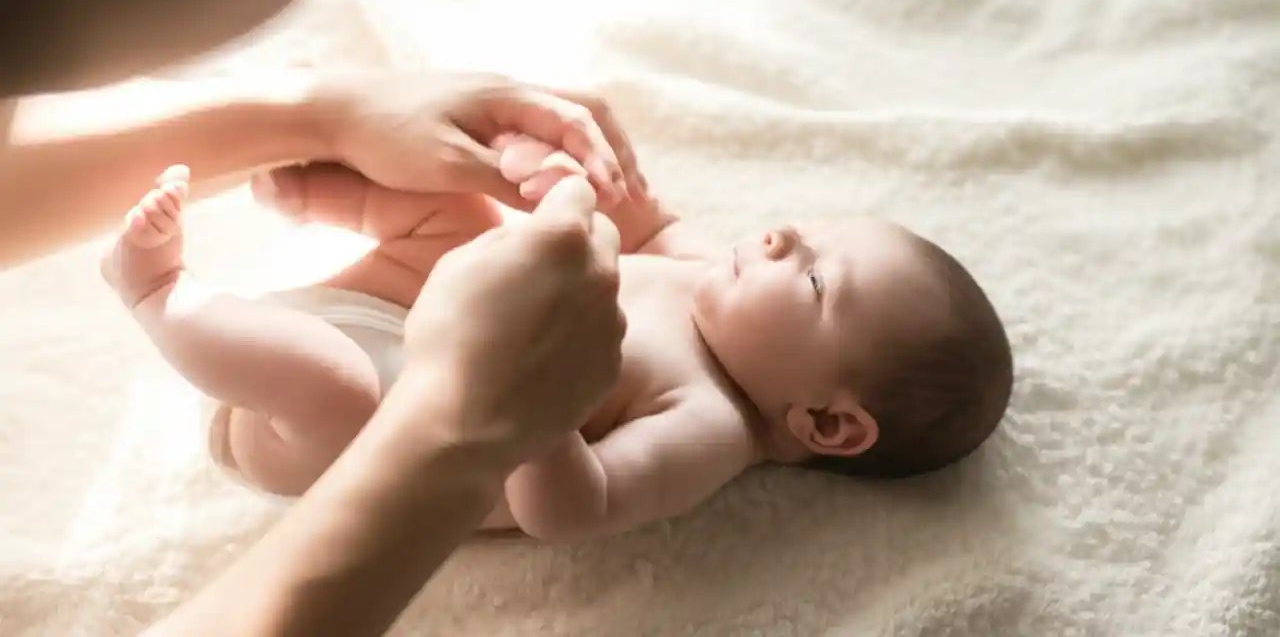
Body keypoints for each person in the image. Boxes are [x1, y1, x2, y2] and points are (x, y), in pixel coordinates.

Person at [1, 0, 635, 634]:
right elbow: (577, 501)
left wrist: (323, 117)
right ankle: (161, 292)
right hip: (372, 388)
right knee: (333, 386)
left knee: (453, 221)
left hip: (387, 328)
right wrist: (455, 432)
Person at [102, 126, 1015, 542]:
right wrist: (590, 177)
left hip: (342, 433)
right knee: (463, 214)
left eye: (813, 277)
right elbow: (645, 220)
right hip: (399, 307)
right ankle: (304, 190)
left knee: (338, 385)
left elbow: (573, 509)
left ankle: (158, 292)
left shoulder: (710, 425)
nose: (779, 238)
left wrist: (548, 412)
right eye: (805, 227)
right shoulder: (707, 276)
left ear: (824, 422)